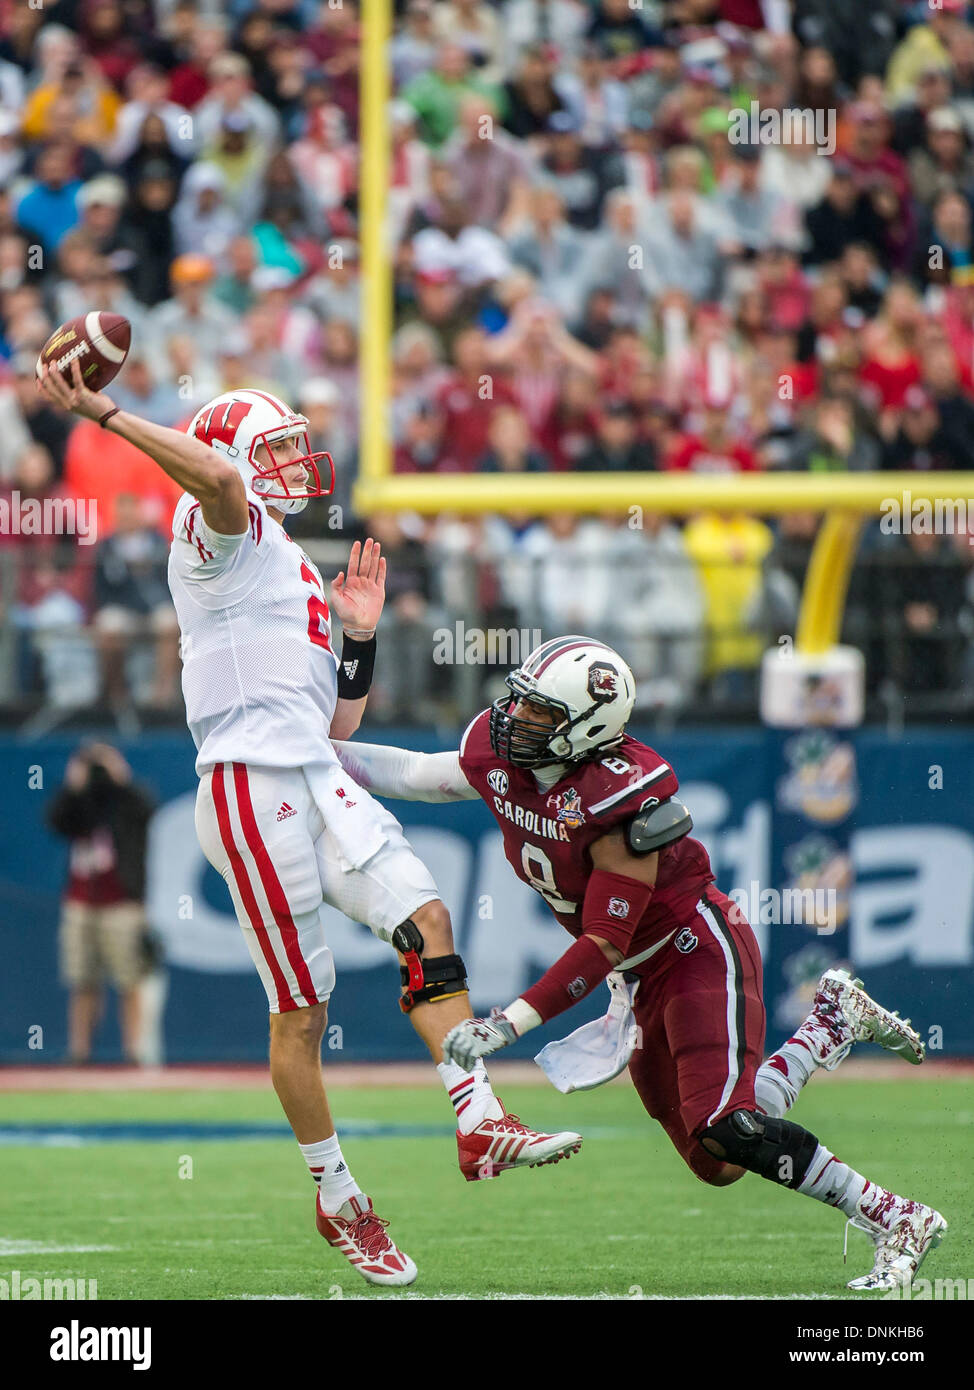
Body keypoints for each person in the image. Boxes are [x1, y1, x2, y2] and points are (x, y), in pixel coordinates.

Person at [35, 361, 580, 1289]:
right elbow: (217, 480)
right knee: (302, 1012)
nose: (295, 460)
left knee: (427, 919)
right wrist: (107, 411)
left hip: (314, 770)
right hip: (248, 790)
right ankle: (338, 1199)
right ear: (234, 458)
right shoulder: (221, 529)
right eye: (276, 446)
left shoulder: (287, 556)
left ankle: (479, 1118)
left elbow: (338, 725)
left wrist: (358, 633)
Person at [332, 636, 948, 1294]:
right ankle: (829, 1023)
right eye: (522, 701)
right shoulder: (503, 752)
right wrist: (309, 755)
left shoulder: (624, 797)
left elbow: (603, 943)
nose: (514, 718)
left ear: (587, 728)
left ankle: (898, 1216)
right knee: (717, 1160)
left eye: (539, 713)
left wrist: (509, 1022)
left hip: (695, 952)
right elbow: (421, 776)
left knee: (727, 1127)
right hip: (640, 979)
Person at [46, 742, 155, 1065]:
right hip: (81, 902)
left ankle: (134, 1051)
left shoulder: (126, 801)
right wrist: (74, 785)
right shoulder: (79, 803)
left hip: (121, 903)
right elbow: (55, 821)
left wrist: (119, 776)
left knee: (129, 979)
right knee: (81, 980)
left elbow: (146, 809)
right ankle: (79, 1053)